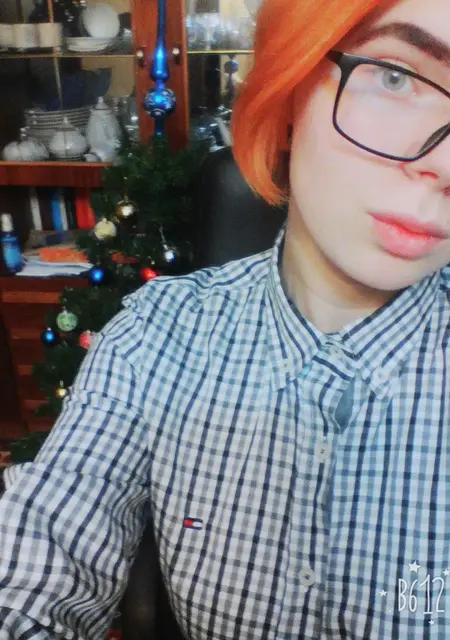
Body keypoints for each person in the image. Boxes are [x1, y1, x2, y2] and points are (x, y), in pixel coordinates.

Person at [1, 0, 450, 636]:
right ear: (287, 90)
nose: (445, 167)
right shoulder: (158, 338)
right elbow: (42, 560)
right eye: (395, 77)